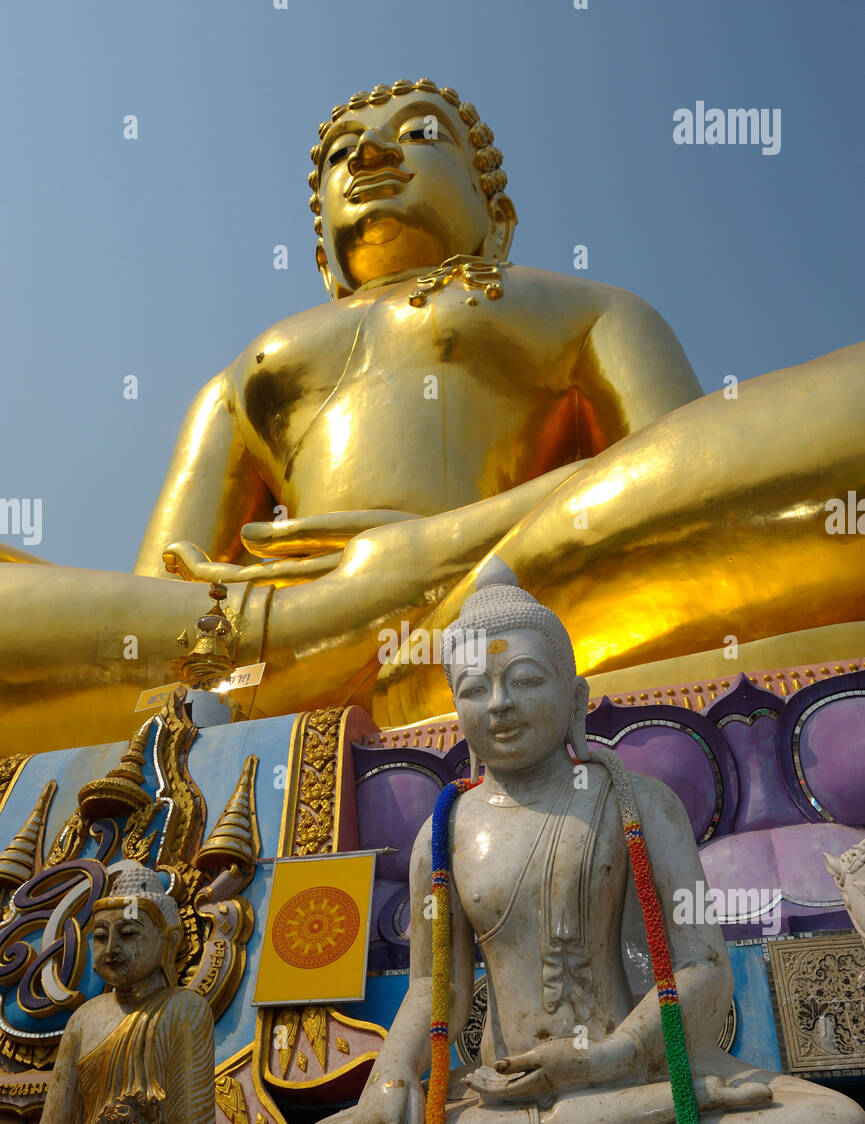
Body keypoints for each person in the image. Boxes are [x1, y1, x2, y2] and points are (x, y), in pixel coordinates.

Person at [2, 79, 862, 754]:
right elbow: (161, 597)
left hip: (519, 591)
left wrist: (423, 556)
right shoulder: (248, 368)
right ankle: (330, 640)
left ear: (499, 220)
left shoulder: (585, 307)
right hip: (262, 634)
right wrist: (322, 609)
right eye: (344, 151)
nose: (372, 151)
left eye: (420, 134)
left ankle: (370, 643)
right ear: (321, 258)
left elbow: (680, 489)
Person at [294, 562, 865, 1124]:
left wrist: (613, 1055)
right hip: (508, 1109)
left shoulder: (637, 803)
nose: (499, 704)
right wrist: (389, 1079)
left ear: (575, 697)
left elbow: (702, 968)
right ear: (457, 709)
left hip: (640, 1076)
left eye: (525, 680)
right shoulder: (442, 834)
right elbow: (431, 987)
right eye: (475, 689)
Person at [0, 863, 221, 1124]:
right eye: (101, 937)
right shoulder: (84, 1018)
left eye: (129, 933)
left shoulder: (184, 1010)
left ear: (168, 941)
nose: (112, 948)